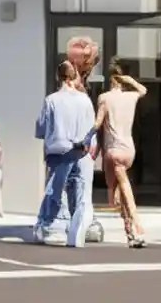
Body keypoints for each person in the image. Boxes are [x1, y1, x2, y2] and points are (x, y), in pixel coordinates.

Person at [33, 61, 96, 247]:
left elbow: (41, 128)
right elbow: (92, 127)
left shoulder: (51, 100)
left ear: (58, 77)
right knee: (78, 188)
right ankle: (79, 224)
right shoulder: (85, 100)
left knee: (56, 188)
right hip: (81, 151)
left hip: (59, 149)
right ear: (74, 77)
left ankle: (56, 226)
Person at [94, 61, 147, 247]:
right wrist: (130, 80)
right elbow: (143, 90)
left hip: (113, 150)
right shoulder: (130, 97)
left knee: (122, 189)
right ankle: (130, 233)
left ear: (110, 81)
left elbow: (98, 124)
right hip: (128, 149)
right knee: (122, 190)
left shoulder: (104, 98)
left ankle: (135, 224)